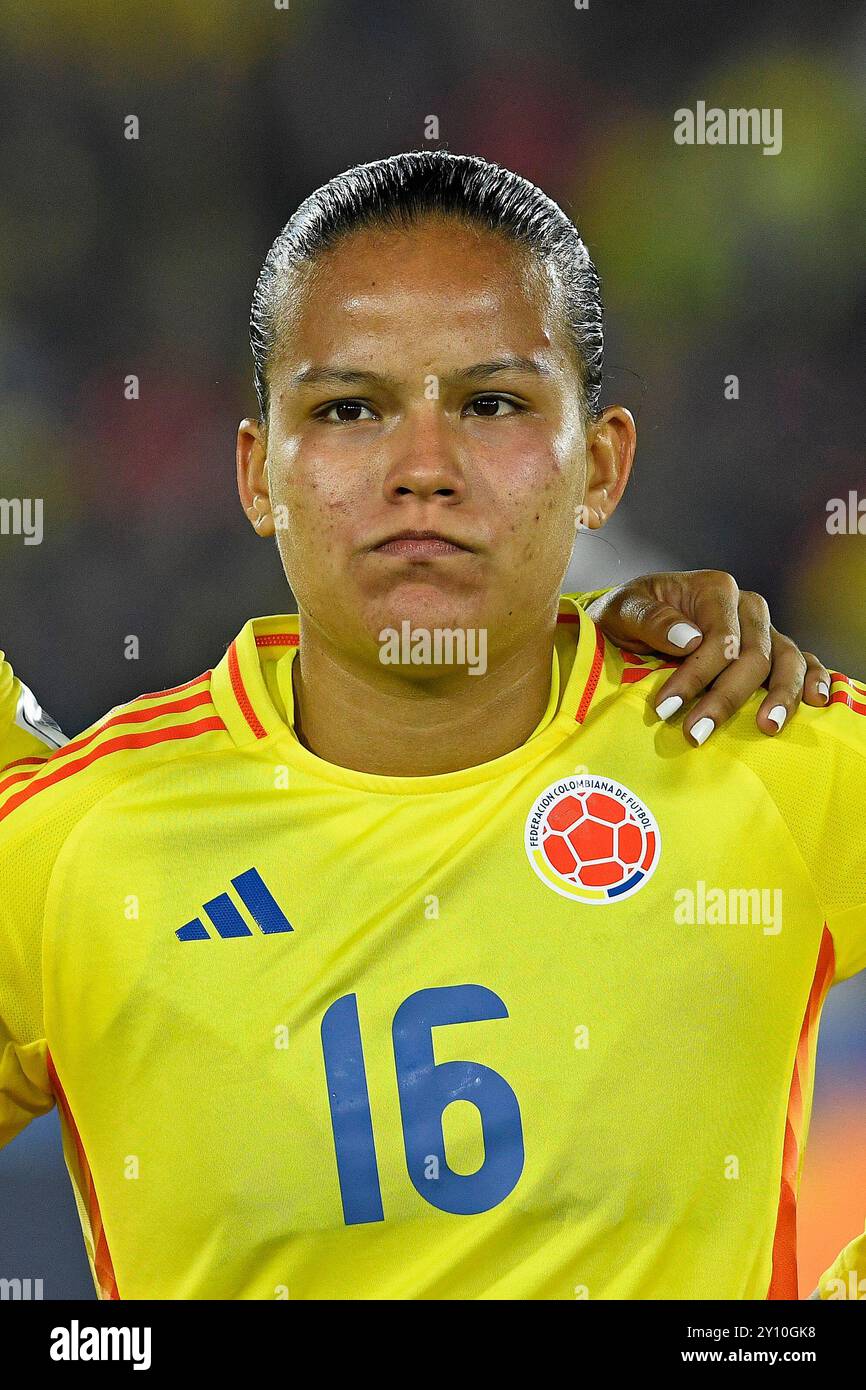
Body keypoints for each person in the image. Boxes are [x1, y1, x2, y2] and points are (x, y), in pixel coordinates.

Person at [0, 150, 861, 1300]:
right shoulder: (74, 850)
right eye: (348, 408)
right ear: (258, 475)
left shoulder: (751, 745)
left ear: (599, 466)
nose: (422, 469)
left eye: (491, 403)